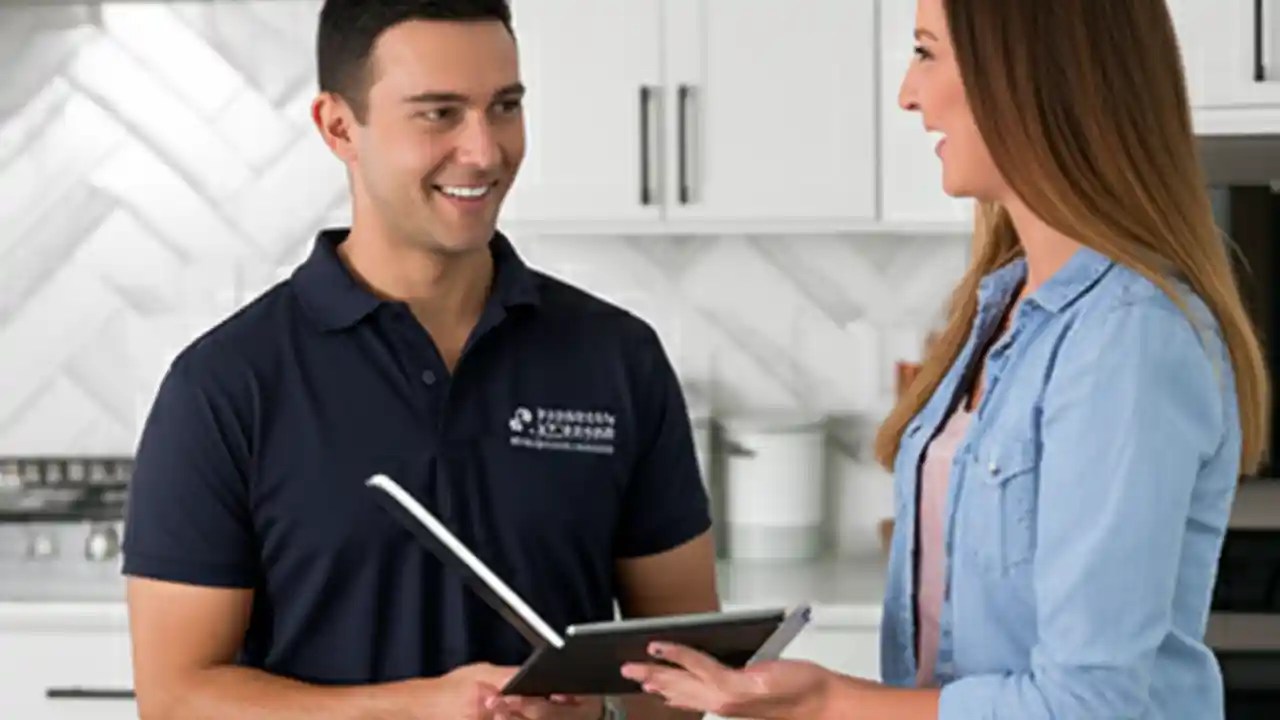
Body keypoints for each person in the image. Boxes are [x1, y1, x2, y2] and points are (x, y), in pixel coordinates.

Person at [620, 0, 1270, 718]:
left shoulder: (1125, 339)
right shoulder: (1004, 310)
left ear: (1026, 74)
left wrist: (827, 702)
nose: (907, 92)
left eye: (926, 52)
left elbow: (1091, 705)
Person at [121, 1, 718, 719]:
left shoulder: (619, 358)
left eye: (505, 106)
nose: (486, 150)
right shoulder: (224, 386)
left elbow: (689, 676)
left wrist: (598, 711)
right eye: (439, 114)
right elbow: (177, 698)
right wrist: (420, 708)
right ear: (339, 127)